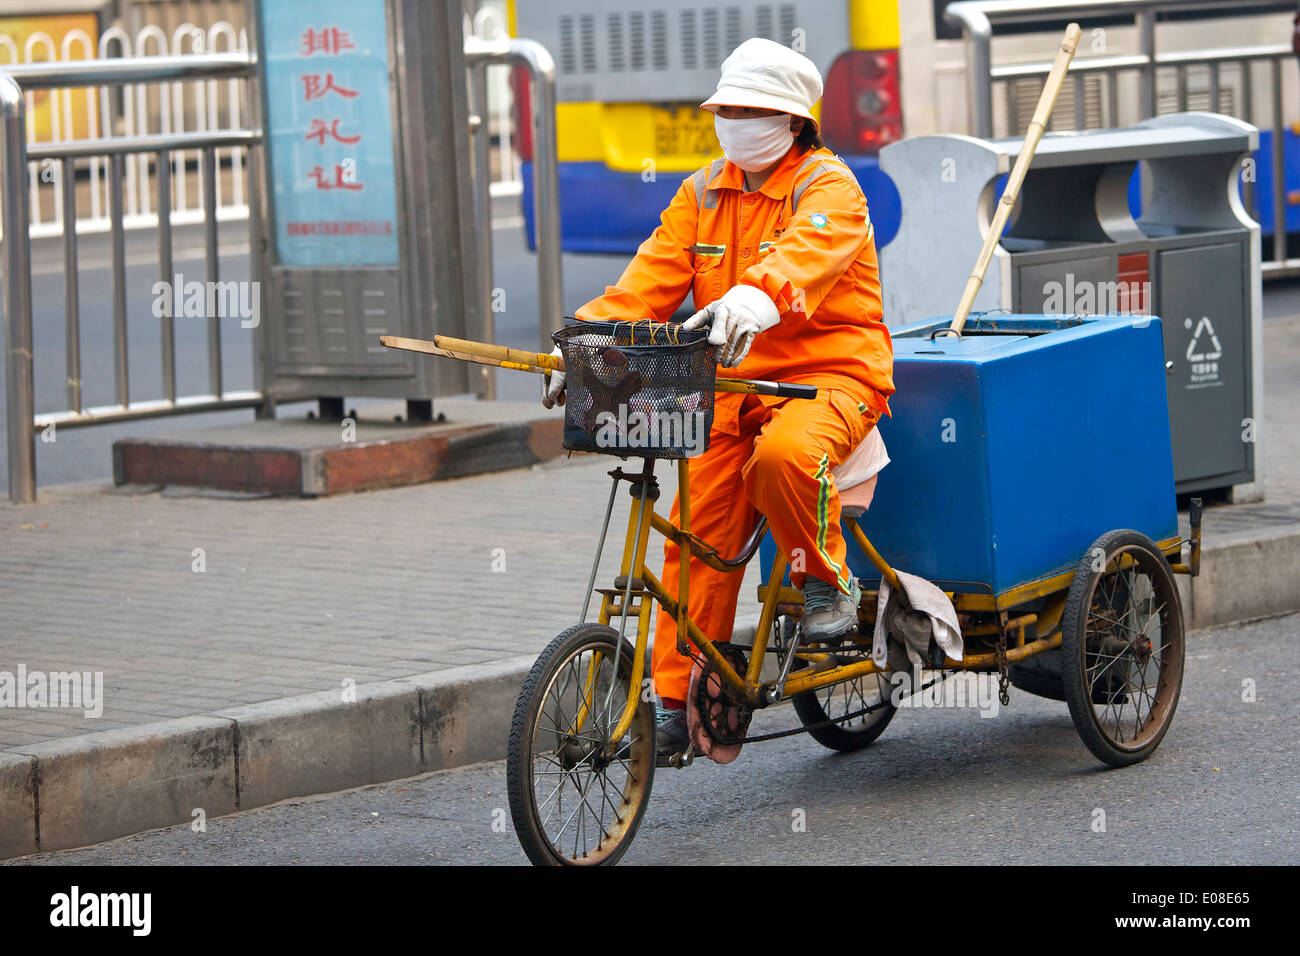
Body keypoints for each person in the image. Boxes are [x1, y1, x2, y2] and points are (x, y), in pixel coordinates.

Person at [542, 37, 895, 755]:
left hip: (828, 378)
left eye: (748, 109)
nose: (731, 120)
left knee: (785, 460)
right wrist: (578, 341)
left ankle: (828, 587)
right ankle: (677, 701)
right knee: (694, 540)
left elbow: (803, 258)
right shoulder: (702, 191)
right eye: (723, 108)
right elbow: (646, 283)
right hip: (728, 388)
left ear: (792, 121)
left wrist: (750, 300)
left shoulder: (828, 187)